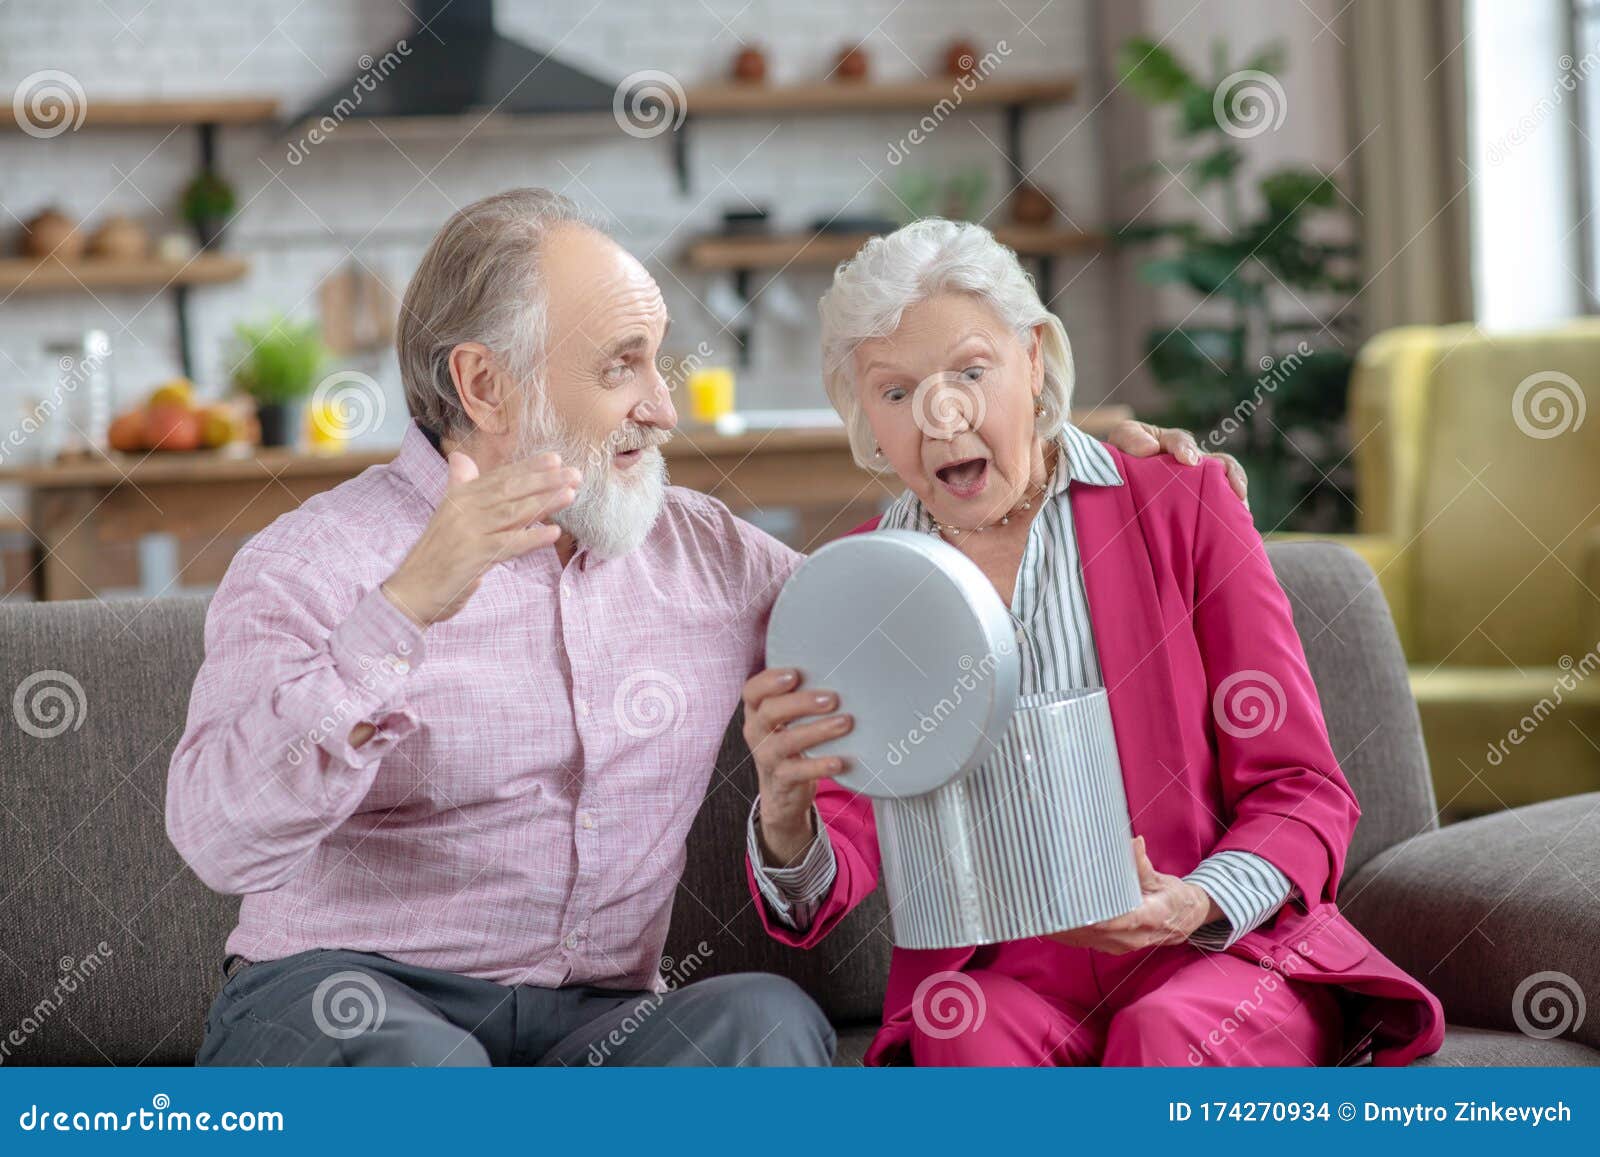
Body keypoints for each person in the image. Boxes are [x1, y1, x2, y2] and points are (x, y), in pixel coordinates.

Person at [165, 189, 1221, 1066]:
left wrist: (1058, 454)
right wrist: (400, 614)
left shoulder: (703, 552)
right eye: (622, 365)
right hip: (347, 1005)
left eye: (658, 362)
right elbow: (217, 836)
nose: (663, 407)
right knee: (422, 1069)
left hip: (594, 1027)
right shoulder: (313, 563)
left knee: (763, 1024)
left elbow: (913, 617)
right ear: (484, 384)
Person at [741, 217, 1446, 1067]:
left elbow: (1303, 788)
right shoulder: (859, 588)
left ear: (1033, 359)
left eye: (972, 370)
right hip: (1007, 978)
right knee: (960, 1031)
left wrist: (1196, 900)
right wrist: (786, 818)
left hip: (1214, 950)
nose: (943, 417)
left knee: (1166, 1034)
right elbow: (833, 864)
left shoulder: (1181, 504)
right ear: (865, 415)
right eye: (895, 393)